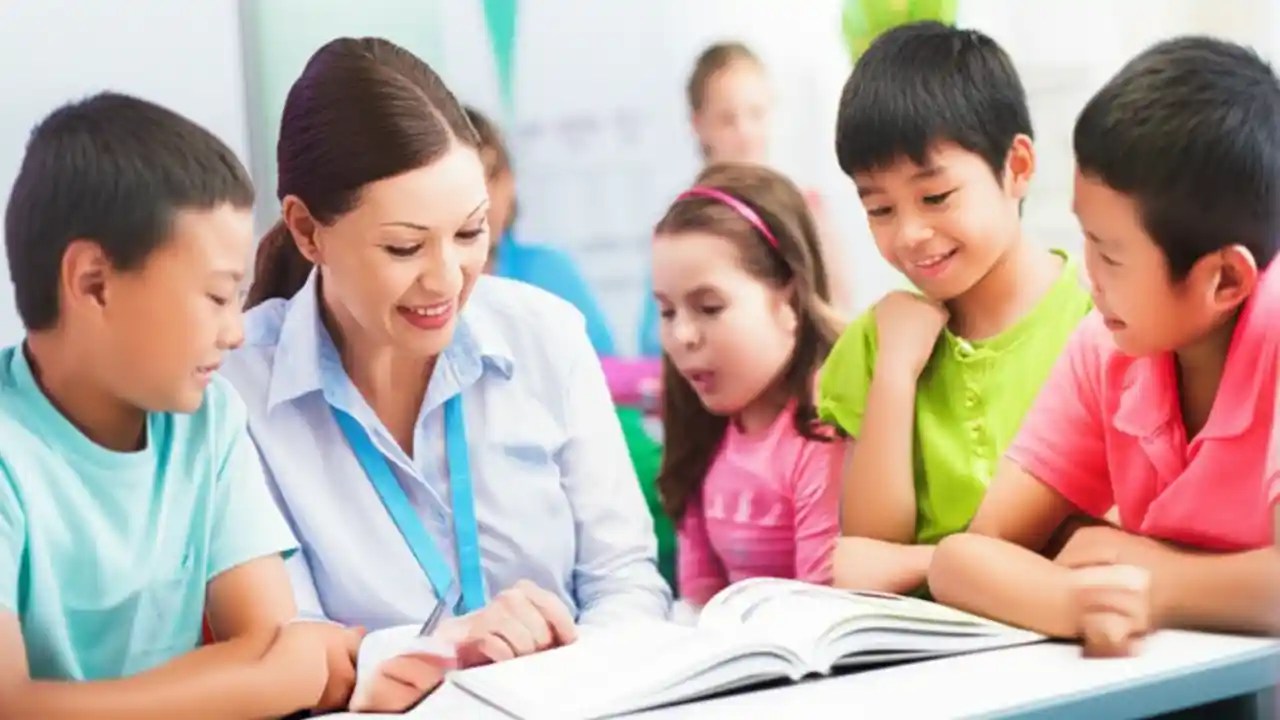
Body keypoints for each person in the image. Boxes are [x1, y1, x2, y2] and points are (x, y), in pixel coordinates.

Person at [224, 38, 671, 712]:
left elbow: (626, 582)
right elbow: (287, 645)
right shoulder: (236, 392)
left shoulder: (547, 337)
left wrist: (578, 671)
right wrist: (436, 651)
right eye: (405, 246)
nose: (447, 280)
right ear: (308, 231)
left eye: (470, 233)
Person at [929, 36, 1280, 657]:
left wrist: (1152, 578)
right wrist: (1074, 599)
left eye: (1111, 255)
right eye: (1084, 238)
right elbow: (969, 554)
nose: (1088, 274)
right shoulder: (1109, 348)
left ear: (1225, 280)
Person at [0, 93, 345, 718]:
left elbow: (273, 643)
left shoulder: (209, 421)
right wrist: (259, 684)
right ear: (93, 283)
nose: (235, 332)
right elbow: (9, 704)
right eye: (216, 297)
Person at [816, 22, 1093, 596]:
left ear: (1017, 167)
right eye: (880, 209)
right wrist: (895, 373)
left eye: (936, 197)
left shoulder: (1099, 319)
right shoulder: (874, 343)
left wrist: (936, 562)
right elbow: (869, 552)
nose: (910, 234)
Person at [653, 162, 844, 606]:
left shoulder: (825, 429)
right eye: (667, 312)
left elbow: (824, 611)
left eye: (709, 307)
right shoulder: (700, 432)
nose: (682, 335)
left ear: (789, 298)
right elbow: (699, 604)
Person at [639, 42, 853, 357]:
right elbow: (652, 343)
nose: (746, 132)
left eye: (757, 114)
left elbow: (837, 313)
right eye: (727, 119)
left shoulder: (807, 211)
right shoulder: (683, 225)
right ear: (699, 125)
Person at [464, 106, 617, 357]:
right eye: (471, 180)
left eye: (495, 176)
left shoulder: (548, 269)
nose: (487, 198)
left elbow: (605, 368)